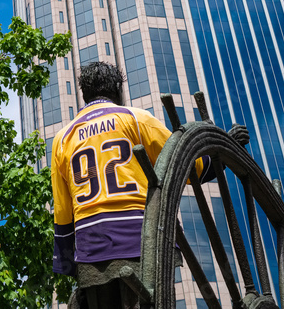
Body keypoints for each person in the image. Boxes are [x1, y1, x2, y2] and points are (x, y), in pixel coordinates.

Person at [51, 61, 248, 308]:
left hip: (92, 248)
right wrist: (225, 149)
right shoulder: (137, 119)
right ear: (118, 92)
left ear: (84, 94)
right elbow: (185, 164)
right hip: (141, 239)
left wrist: (70, 264)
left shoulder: (62, 139)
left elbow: (62, 211)